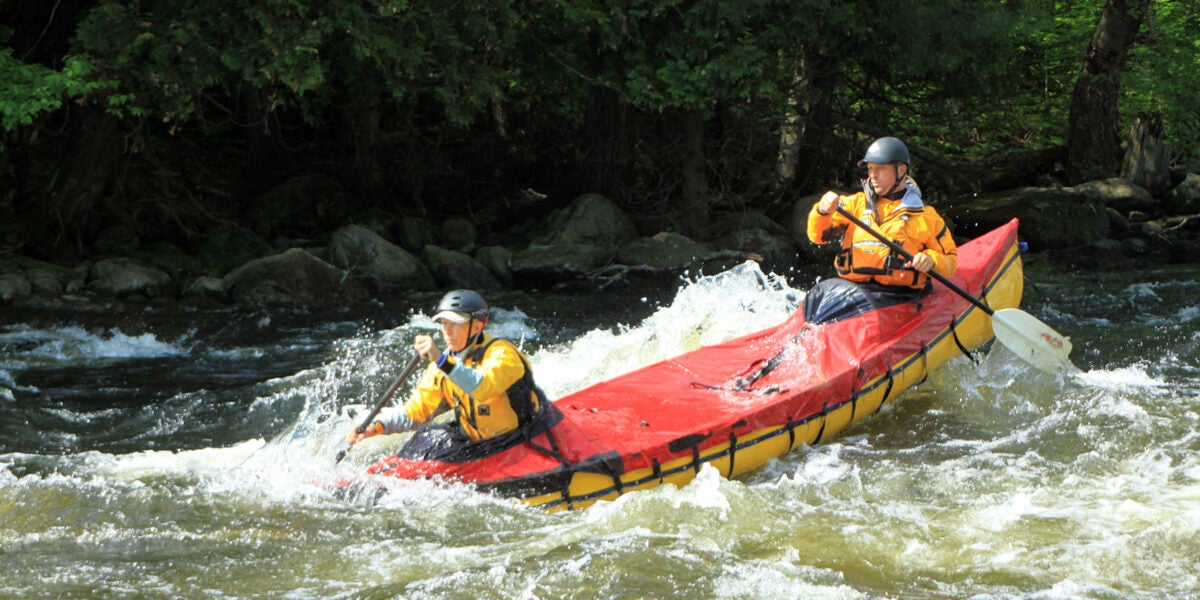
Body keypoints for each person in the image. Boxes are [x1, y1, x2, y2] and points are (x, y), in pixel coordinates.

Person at [346, 289, 556, 461]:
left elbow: (482, 387)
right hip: (478, 444)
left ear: (478, 325)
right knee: (423, 442)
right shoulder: (442, 364)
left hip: (520, 437)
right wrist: (376, 426)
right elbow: (416, 411)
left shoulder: (502, 354)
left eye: (456, 323)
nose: (447, 331)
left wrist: (440, 359)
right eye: (444, 323)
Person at [803, 136, 958, 324]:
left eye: (880, 169)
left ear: (901, 170)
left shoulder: (926, 216)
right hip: (852, 291)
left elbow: (950, 262)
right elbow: (817, 236)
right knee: (817, 296)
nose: (873, 175)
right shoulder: (855, 204)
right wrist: (821, 210)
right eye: (870, 169)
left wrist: (931, 261)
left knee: (863, 311)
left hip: (898, 299)